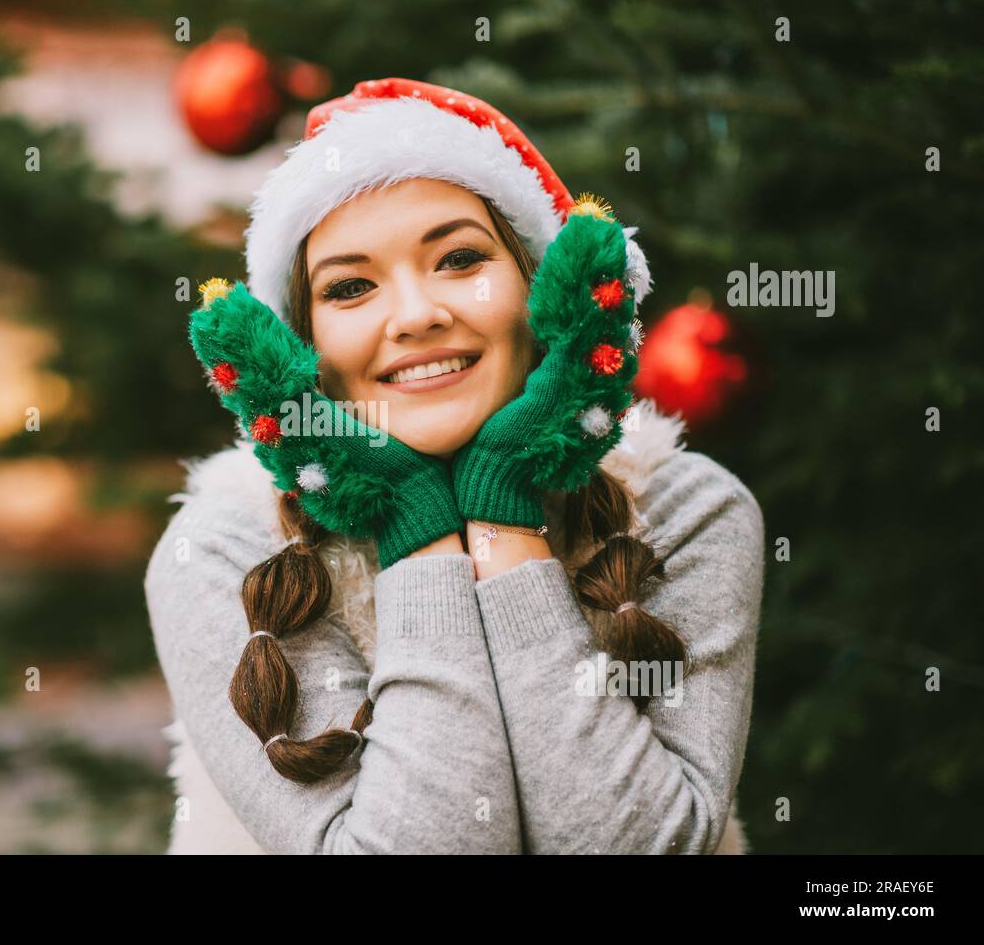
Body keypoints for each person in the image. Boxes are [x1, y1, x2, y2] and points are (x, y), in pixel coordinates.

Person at [144, 78, 765, 854]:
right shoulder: (223, 549)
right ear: (303, 345)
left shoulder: (686, 508)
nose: (415, 315)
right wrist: (412, 521)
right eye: (351, 286)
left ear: (541, 288)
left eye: (460, 258)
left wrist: (505, 517)